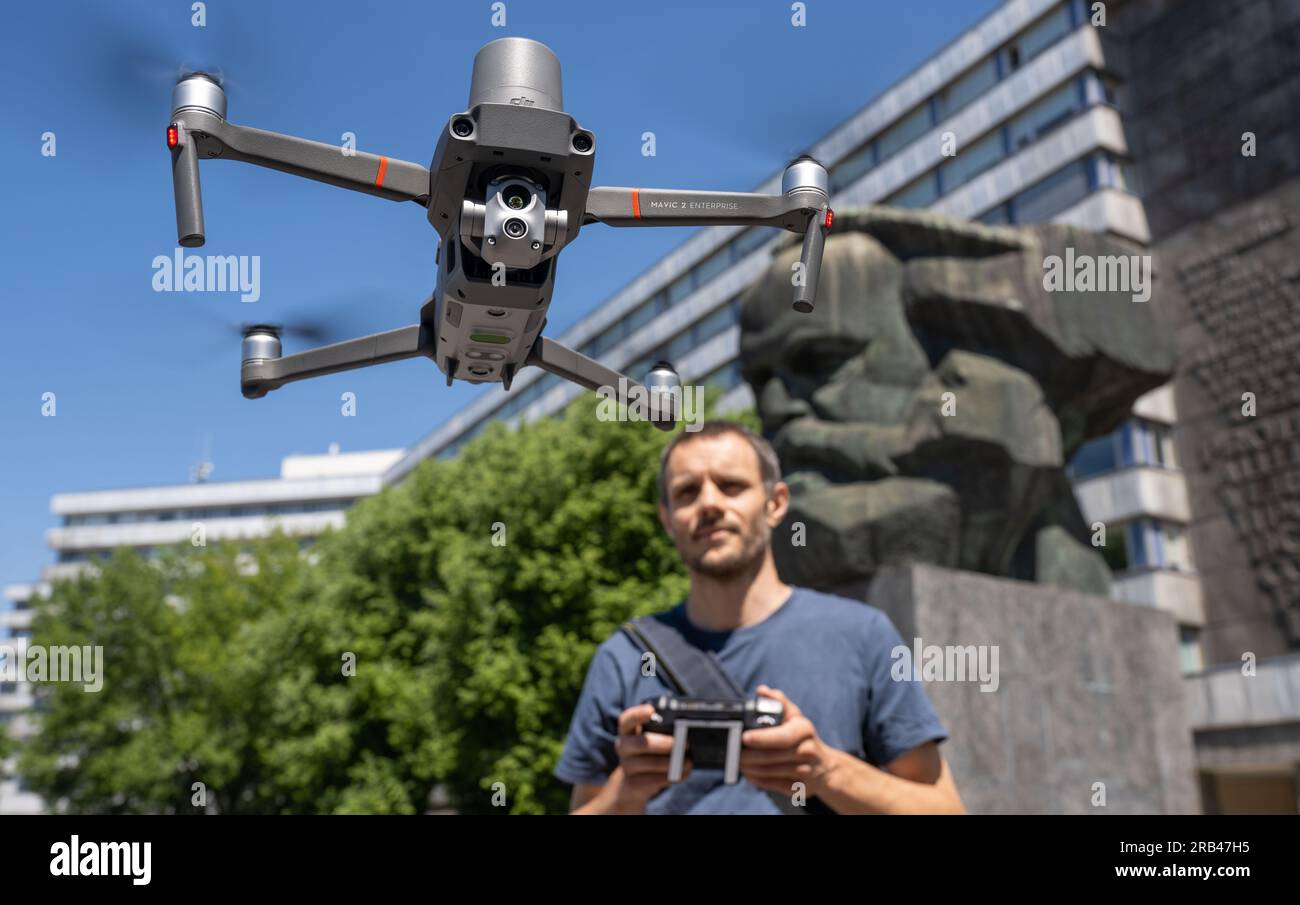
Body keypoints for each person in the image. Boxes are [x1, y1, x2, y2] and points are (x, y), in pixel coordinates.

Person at [554, 420, 966, 814]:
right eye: (687, 492)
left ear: (775, 503)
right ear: (666, 519)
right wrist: (628, 790)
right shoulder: (622, 656)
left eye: (731, 486)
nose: (709, 504)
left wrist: (823, 770)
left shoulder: (862, 634)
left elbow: (944, 809)